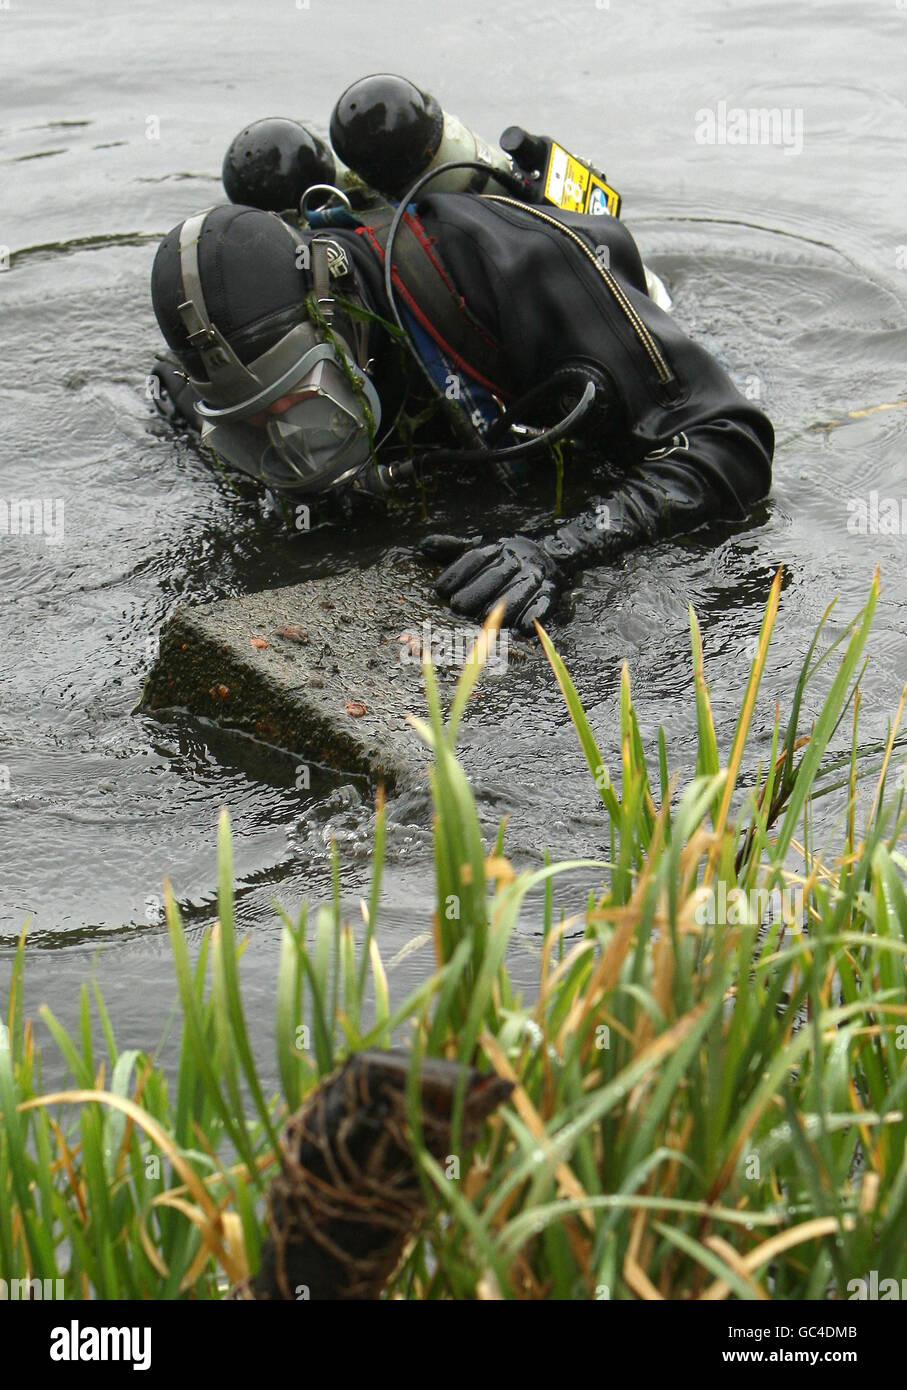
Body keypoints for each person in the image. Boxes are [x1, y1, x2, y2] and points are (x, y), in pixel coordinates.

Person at [149, 156, 773, 636]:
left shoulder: (518, 268)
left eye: (304, 405)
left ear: (337, 320)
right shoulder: (218, 392)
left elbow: (730, 446)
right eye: (253, 429)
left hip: (589, 333)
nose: (287, 444)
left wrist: (557, 551)